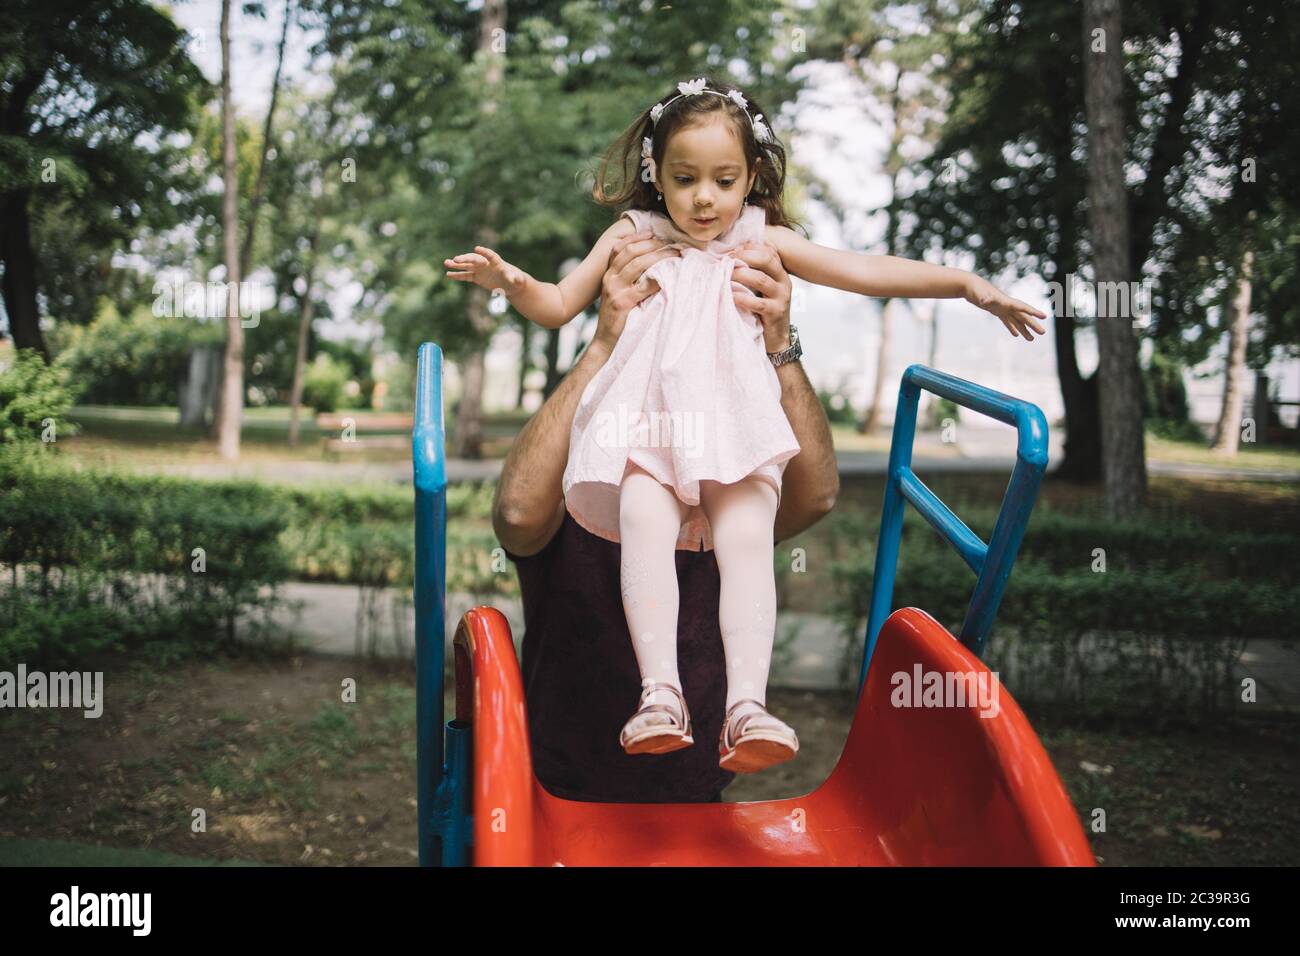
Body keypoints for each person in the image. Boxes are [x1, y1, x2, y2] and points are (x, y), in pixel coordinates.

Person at [449, 74, 1046, 784]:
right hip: (651, 431)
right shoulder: (632, 237)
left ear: (752, 177)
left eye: (724, 179)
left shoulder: (760, 241)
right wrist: (513, 283)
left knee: (745, 546)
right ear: (656, 177)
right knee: (643, 523)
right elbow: (556, 305)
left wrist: (964, 283)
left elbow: (863, 271)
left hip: (735, 433)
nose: (705, 197)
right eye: (685, 178)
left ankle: (747, 706)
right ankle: (660, 694)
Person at [489, 226, 838, 802]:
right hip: (565, 782)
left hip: (696, 783)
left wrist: (779, 343)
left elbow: (817, 495)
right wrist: (605, 345)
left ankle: (737, 710)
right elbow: (519, 512)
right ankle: (663, 695)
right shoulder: (593, 476)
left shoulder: (728, 489)